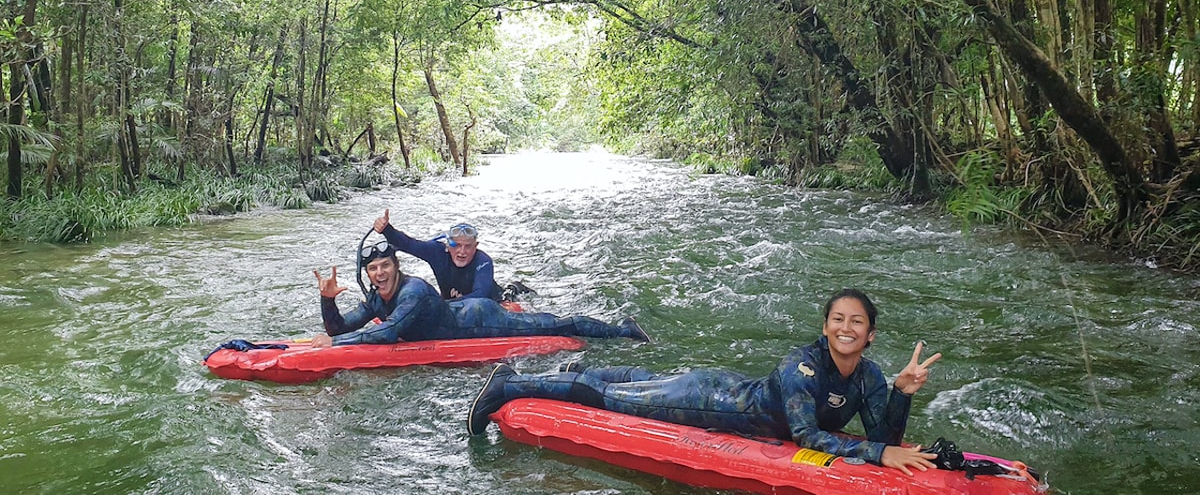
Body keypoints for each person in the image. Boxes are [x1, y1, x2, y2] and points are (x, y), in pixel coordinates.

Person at [466, 288, 941, 476]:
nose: (846, 328)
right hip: (712, 400)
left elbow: (883, 437)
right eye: (838, 319)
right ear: (825, 327)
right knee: (613, 400)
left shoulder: (869, 376)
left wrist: (901, 395)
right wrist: (880, 454)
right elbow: (806, 436)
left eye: (857, 322)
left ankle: (579, 371)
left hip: (726, 385)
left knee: (647, 383)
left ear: (870, 335)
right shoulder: (803, 365)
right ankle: (509, 384)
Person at [308, 240, 650, 347]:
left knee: (555, 324)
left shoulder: (413, 290)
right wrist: (328, 300)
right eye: (373, 269)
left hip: (477, 319)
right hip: (457, 314)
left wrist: (333, 345)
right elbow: (340, 328)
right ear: (368, 274)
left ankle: (623, 330)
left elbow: (389, 330)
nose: (380, 273)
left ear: (396, 267)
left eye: (385, 266)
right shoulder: (376, 297)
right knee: (551, 322)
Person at [373, 209, 500, 301]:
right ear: (448, 245)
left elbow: (481, 295)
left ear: (475, 246)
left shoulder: (483, 261)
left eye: (467, 246)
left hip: (492, 306)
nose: (462, 251)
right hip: (451, 305)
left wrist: (447, 303)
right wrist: (387, 230)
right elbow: (408, 244)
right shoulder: (437, 252)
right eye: (457, 245)